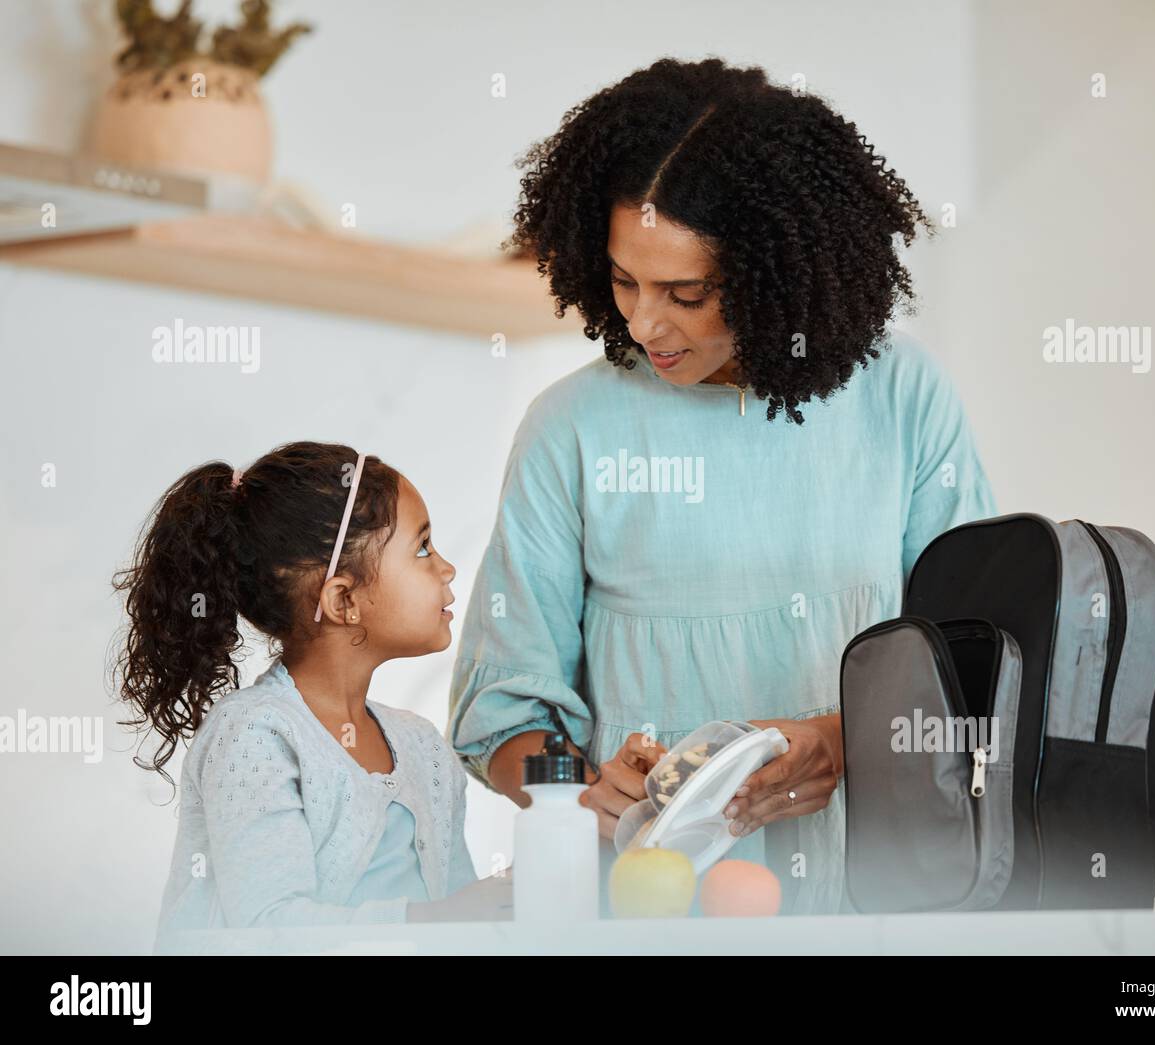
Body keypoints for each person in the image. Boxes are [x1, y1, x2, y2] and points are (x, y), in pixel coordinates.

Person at [449, 57, 998, 915]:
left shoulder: (903, 399)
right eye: (625, 280)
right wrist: (583, 788)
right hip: (646, 910)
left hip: (882, 899)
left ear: (780, 269)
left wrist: (842, 742)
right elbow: (501, 707)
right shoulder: (572, 427)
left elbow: (979, 660)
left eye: (686, 292)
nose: (642, 322)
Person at [113, 441, 511, 939]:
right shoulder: (254, 735)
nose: (447, 568)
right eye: (423, 548)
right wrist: (444, 916)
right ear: (344, 599)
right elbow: (269, 930)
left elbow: (461, 925)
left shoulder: (424, 747)